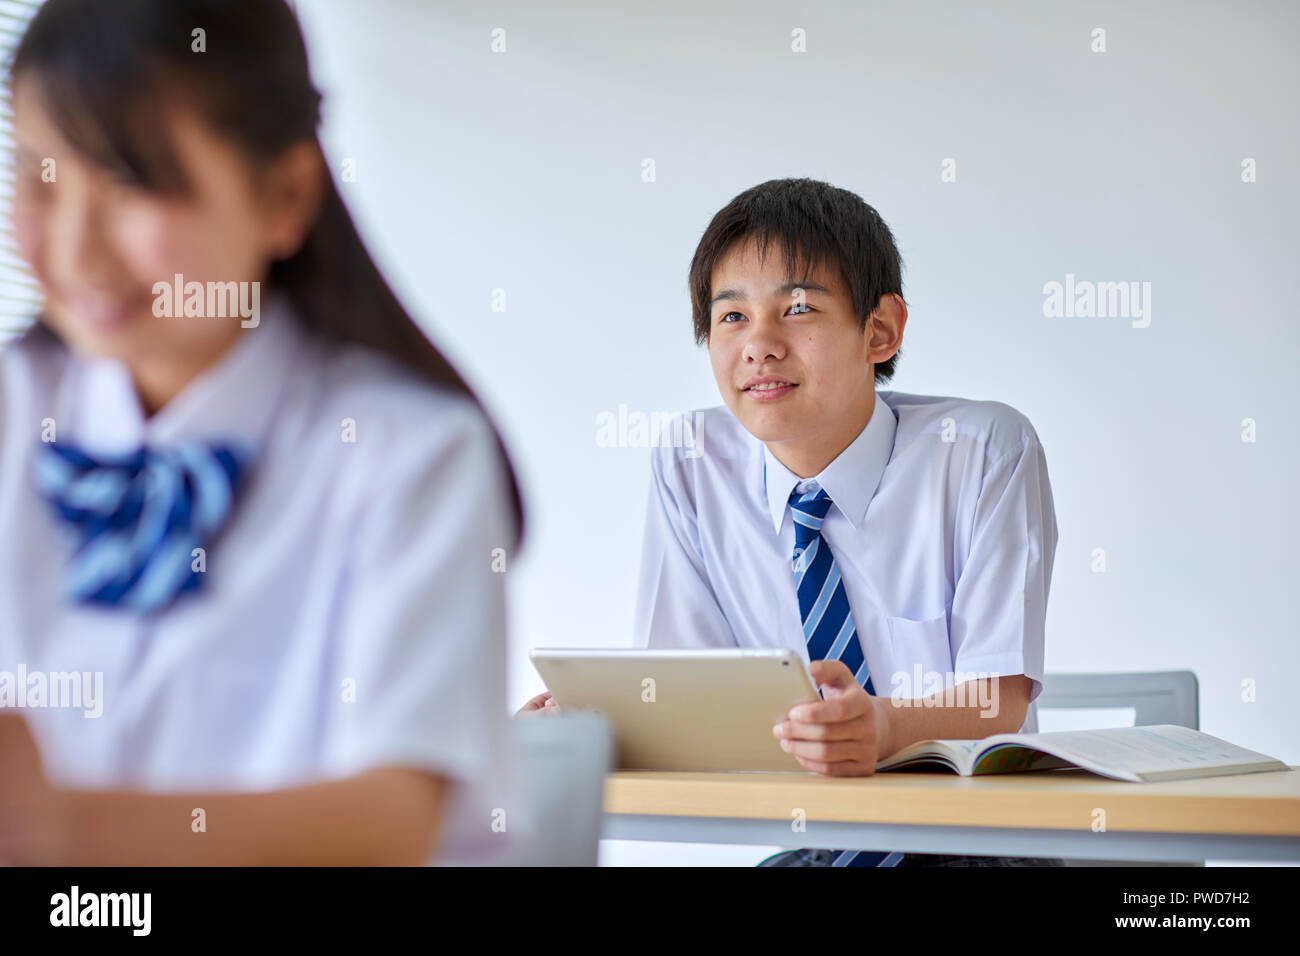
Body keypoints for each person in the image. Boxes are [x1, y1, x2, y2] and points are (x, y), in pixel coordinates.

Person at [0, 0, 523, 865]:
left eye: (129, 184)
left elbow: (394, 820)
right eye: (41, 183)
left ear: (284, 194)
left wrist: (66, 831)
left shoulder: (409, 453)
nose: (76, 250)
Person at [522, 178, 1062, 867]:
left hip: (979, 843)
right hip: (819, 846)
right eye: (732, 316)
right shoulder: (692, 459)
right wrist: (595, 727)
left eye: (798, 308)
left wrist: (886, 725)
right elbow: (687, 696)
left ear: (880, 329)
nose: (760, 345)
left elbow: (999, 698)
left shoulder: (984, 450)